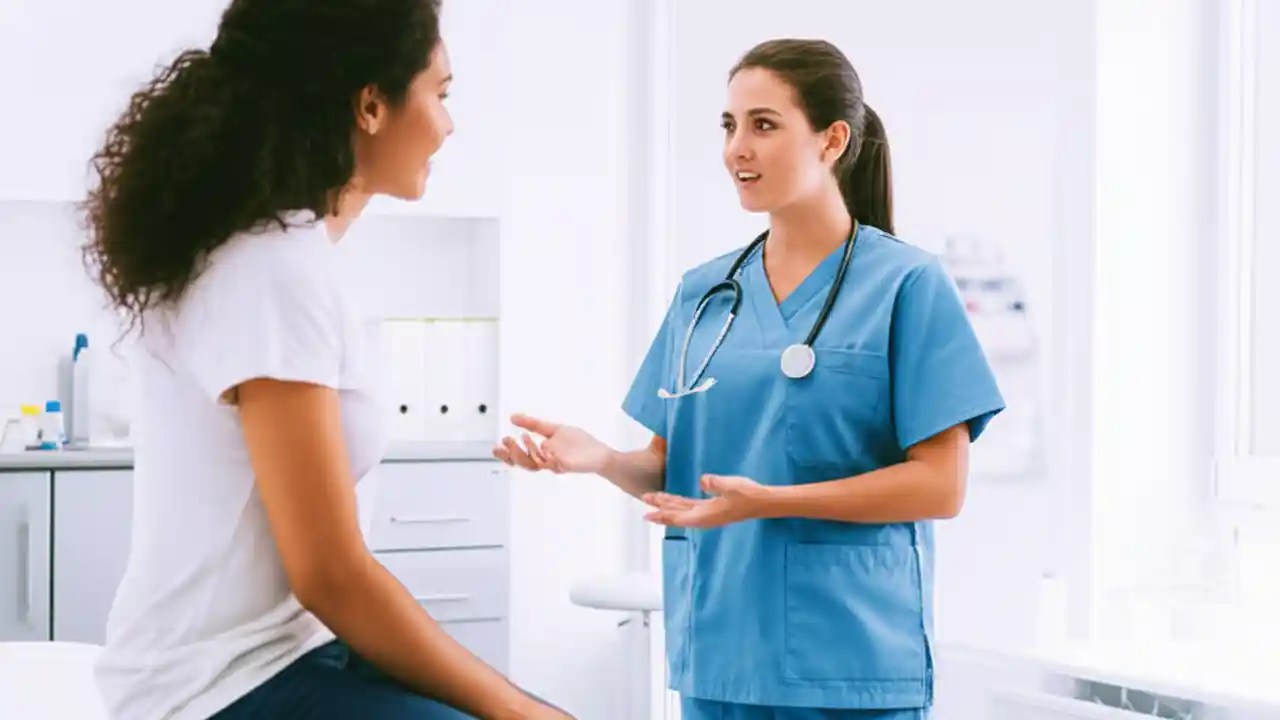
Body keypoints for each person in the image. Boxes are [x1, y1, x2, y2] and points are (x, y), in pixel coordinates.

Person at [80, 1, 571, 718]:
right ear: (371, 104)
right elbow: (332, 576)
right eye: (441, 93)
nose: (448, 123)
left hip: (290, 657)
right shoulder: (271, 270)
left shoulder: (280, 255)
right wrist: (522, 711)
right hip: (216, 688)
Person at [495, 38, 1004, 719]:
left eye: (763, 125)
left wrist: (770, 500)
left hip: (848, 657)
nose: (738, 148)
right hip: (721, 655)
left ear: (831, 140)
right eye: (729, 126)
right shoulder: (703, 295)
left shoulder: (907, 285)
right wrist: (602, 460)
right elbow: (678, 474)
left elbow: (941, 486)